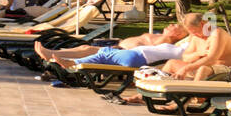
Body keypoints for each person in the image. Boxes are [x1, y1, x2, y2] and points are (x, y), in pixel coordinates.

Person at [47, 23, 189, 71]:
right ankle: (58, 54)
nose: (170, 25)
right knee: (87, 48)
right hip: (124, 50)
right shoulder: (162, 38)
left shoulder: (168, 43)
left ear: (178, 34)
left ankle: (58, 56)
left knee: (95, 51)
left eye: (174, 26)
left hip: (127, 53)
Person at [164, 14, 231, 80]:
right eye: (191, 32)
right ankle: (161, 94)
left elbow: (211, 58)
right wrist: (199, 53)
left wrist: (185, 69)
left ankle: (195, 97)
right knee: (171, 63)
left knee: (203, 69)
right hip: (206, 69)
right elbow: (185, 57)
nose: (194, 34)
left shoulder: (217, 34)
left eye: (195, 31)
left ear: (203, 24)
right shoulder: (196, 37)